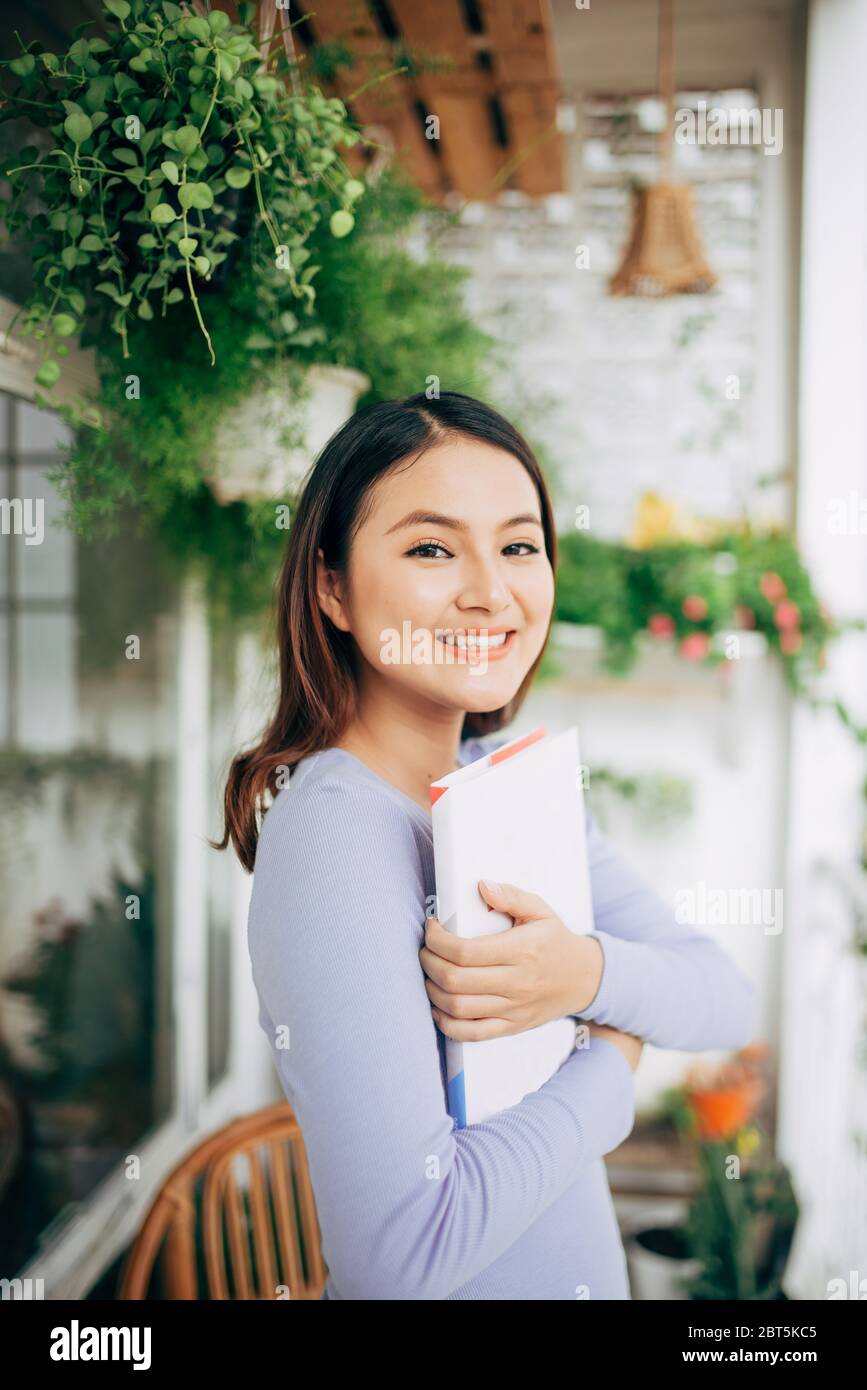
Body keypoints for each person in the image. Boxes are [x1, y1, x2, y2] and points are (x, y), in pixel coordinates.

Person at [216, 390, 756, 1300]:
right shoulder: (336, 838)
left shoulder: (501, 782)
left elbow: (723, 999)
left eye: (518, 545)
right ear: (331, 587)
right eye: (431, 547)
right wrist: (614, 1059)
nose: (490, 590)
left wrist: (583, 977)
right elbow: (404, 1258)